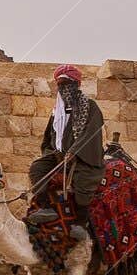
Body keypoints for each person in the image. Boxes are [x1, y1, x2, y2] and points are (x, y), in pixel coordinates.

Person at [27, 64, 104, 240]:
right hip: (58, 156)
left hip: (84, 157)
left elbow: (91, 133)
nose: (63, 89)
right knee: (37, 167)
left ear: (76, 85)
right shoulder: (56, 113)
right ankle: (46, 207)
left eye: (67, 84)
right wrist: (50, 153)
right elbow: (49, 138)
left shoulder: (90, 107)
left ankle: (80, 223)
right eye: (60, 85)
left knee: (83, 182)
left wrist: (74, 152)